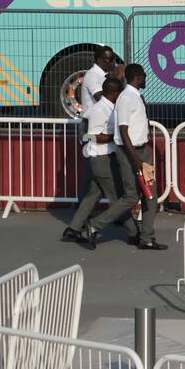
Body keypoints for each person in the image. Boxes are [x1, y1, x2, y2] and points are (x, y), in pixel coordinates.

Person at [109, 64, 167, 251]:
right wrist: (134, 157)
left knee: (150, 195)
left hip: (141, 151)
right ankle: (96, 224)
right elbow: (123, 129)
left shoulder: (133, 96)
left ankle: (146, 237)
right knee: (132, 195)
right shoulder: (126, 98)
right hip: (131, 153)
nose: (146, 79)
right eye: (144, 76)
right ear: (138, 77)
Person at [63, 75, 122, 250]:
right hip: (101, 156)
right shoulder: (101, 110)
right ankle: (131, 232)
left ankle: (74, 227)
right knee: (118, 197)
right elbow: (96, 136)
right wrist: (116, 137)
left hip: (93, 155)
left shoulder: (96, 108)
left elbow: (87, 131)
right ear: (113, 93)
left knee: (94, 194)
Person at [79, 46, 120, 115]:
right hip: (91, 122)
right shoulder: (92, 75)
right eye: (110, 59)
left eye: (114, 59)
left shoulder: (104, 76)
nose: (113, 62)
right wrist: (117, 80)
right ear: (99, 60)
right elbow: (100, 98)